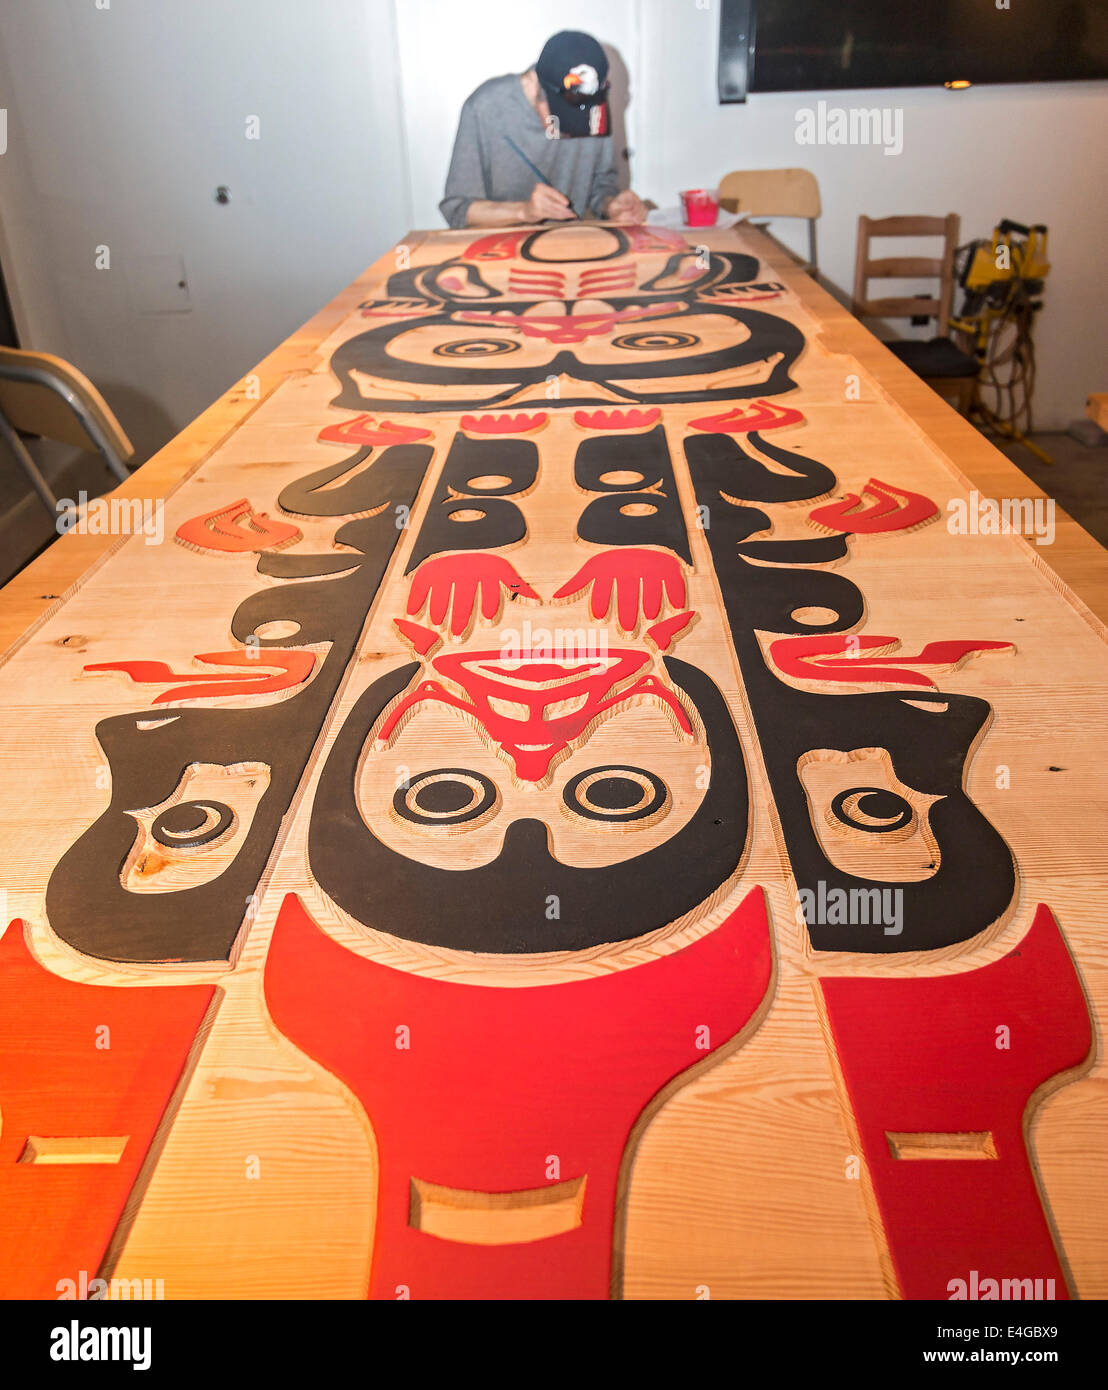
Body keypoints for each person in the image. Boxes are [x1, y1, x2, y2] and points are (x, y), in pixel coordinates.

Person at [439, 30, 647, 230]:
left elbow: (602, 183)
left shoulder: (594, 110)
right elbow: (457, 210)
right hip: (500, 250)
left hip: (573, 245)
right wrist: (524, 212)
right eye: (561, 116)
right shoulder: (485, 108)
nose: (570, 129)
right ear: (534, 83)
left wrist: (610, 205)